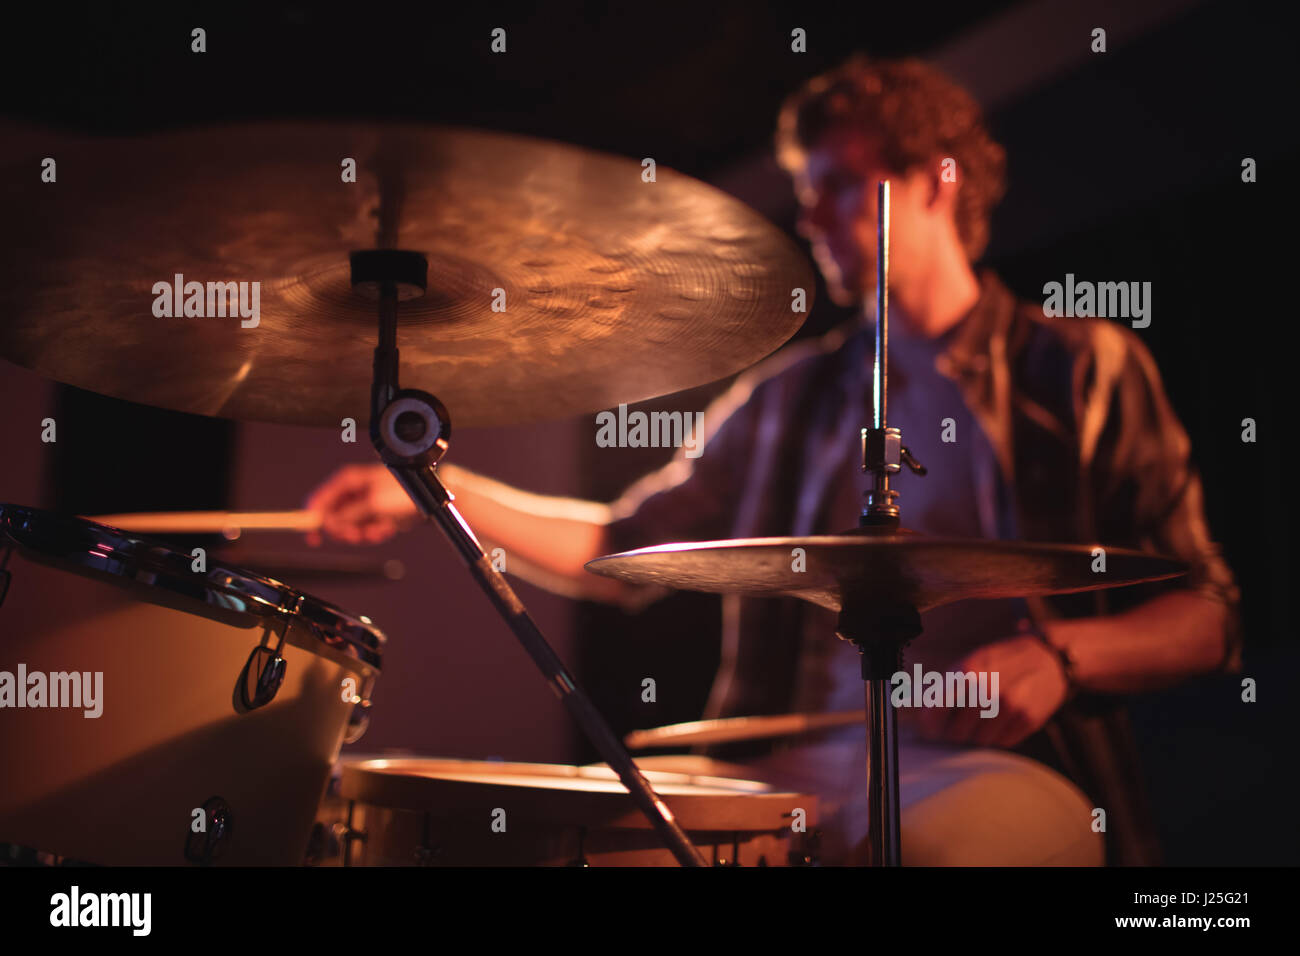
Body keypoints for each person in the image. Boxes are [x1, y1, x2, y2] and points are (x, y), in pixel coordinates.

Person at [305, 57, 1240, 865]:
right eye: (806, 189)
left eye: (837, 181)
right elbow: (624, 548)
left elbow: (1207, 615)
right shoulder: (788, 397)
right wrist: (442, 486)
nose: (810, 211)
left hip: (986, 763)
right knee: (576, 832)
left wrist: (1058, 656)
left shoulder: (1079, 369)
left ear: (934, 181)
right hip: (778, 761)